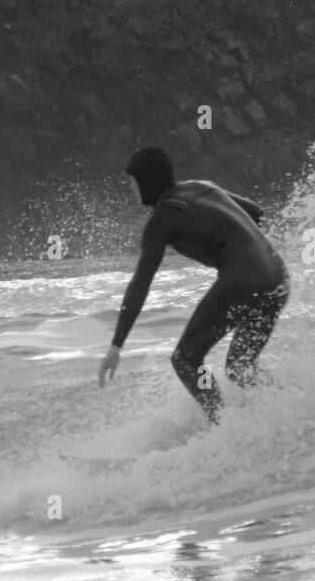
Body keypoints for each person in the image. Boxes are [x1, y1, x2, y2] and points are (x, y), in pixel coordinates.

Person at [97, 146, 289, 421]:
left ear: (146, 180)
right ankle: (296, 406)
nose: (129, 188)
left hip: (242, 281)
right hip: (276, 277)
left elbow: (141, 282)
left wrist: (116, 345)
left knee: (185, 360)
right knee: (240, 368)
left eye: (132, 180)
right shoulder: (203, 186)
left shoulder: (161, 220)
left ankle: (222, 426)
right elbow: (257, 212)